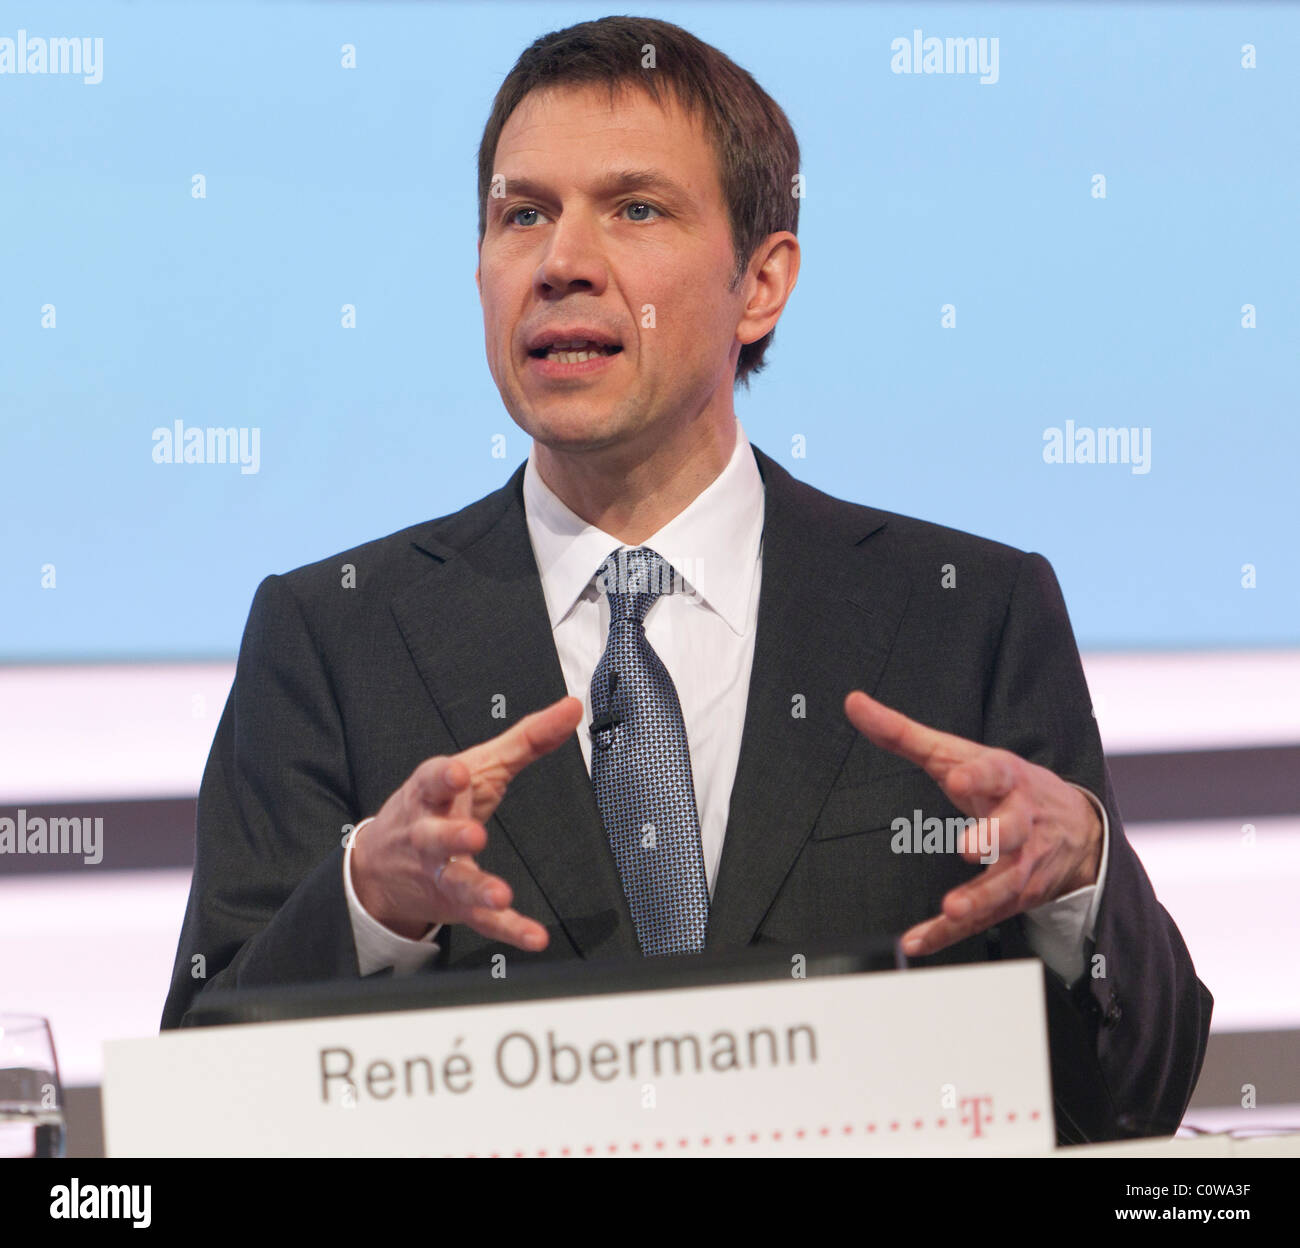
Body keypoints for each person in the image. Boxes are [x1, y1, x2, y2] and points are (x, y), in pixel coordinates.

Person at [161, 16, 1211, 1142]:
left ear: (760, 283)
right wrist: (368, 901)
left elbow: (1134, 1101)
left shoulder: (969, 613)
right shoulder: (331, 637)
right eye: (522, 214)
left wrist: (1078, 883)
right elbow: (201, 1118)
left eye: (634, 208)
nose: (561, 261)